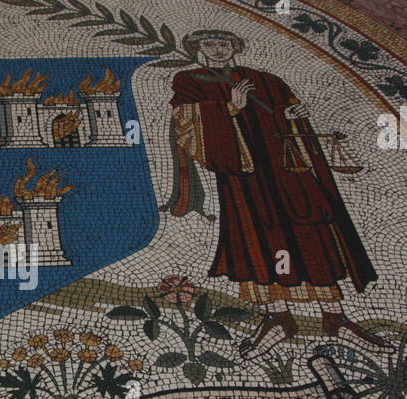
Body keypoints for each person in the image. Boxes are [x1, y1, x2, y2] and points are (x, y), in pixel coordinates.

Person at [166, 29, 391, 359]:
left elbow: (287, 114)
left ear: (236, 46)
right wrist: (229, 107)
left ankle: (335, 316)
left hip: (288, 171)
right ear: (197, 47)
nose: (217, 49)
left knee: (312, 234)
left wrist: (293, 117)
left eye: (224, 43)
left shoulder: (265, 79)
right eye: (209, 44)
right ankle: (277, 316)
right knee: (260, 237)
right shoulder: (189, 80)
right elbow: (184, 123)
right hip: (245, 176)